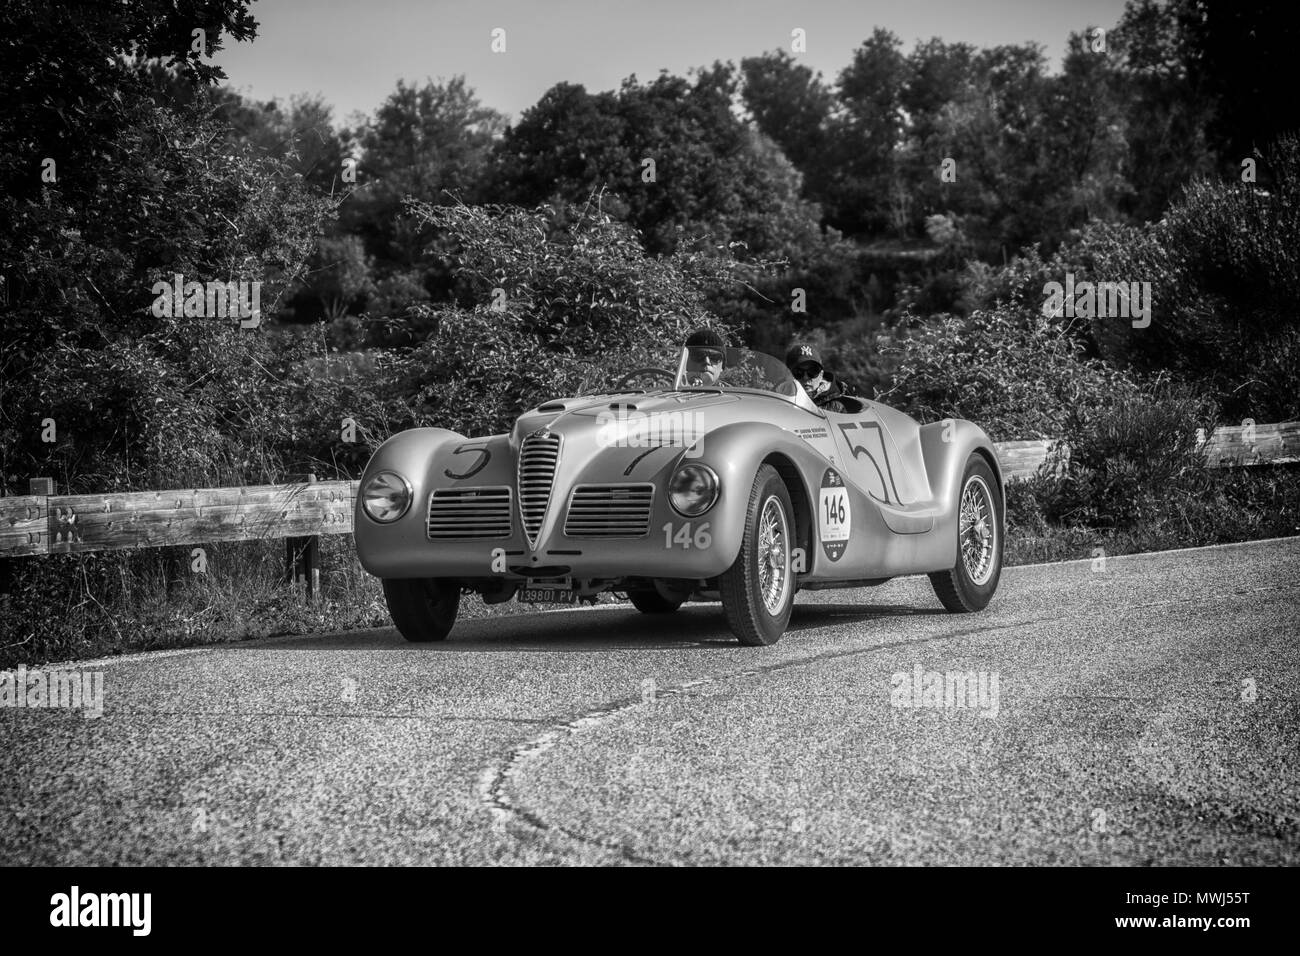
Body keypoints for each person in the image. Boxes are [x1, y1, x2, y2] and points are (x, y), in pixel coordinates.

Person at [785, 342, 854, 413]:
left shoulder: (840, 405)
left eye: (813, 371)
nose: (806, 377)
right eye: (798, 372)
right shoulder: (777, 396)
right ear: (788, 374)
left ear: (821, 374)